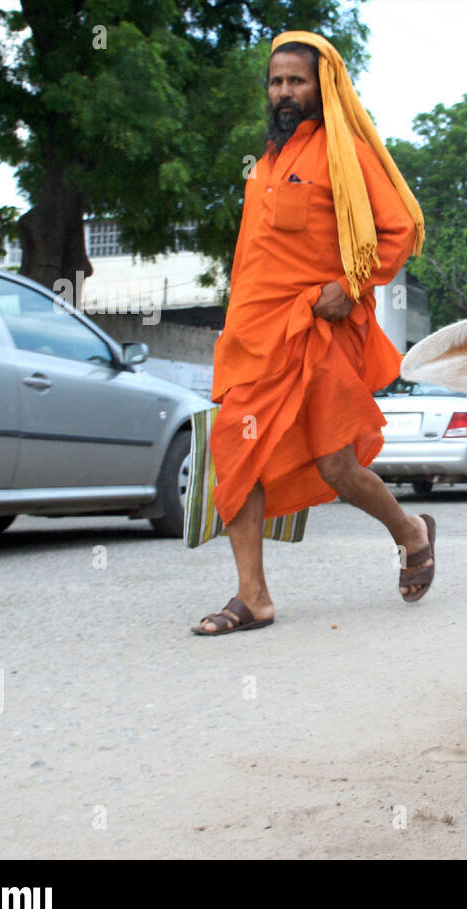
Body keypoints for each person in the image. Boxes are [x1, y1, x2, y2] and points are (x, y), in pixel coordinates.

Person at [192, 30, 434, 636]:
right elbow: (250, 259)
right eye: (276, 82)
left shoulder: (345, 150)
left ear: (321, 86)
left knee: (337, 467)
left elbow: (401, 226)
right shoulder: (265, 163)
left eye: (296, 80)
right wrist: (234, 330)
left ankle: (411, 532)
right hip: (256, 339)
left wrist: (352, 285)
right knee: (236, 455)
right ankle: (254, 597)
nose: (284, 92)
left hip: (320, 333)